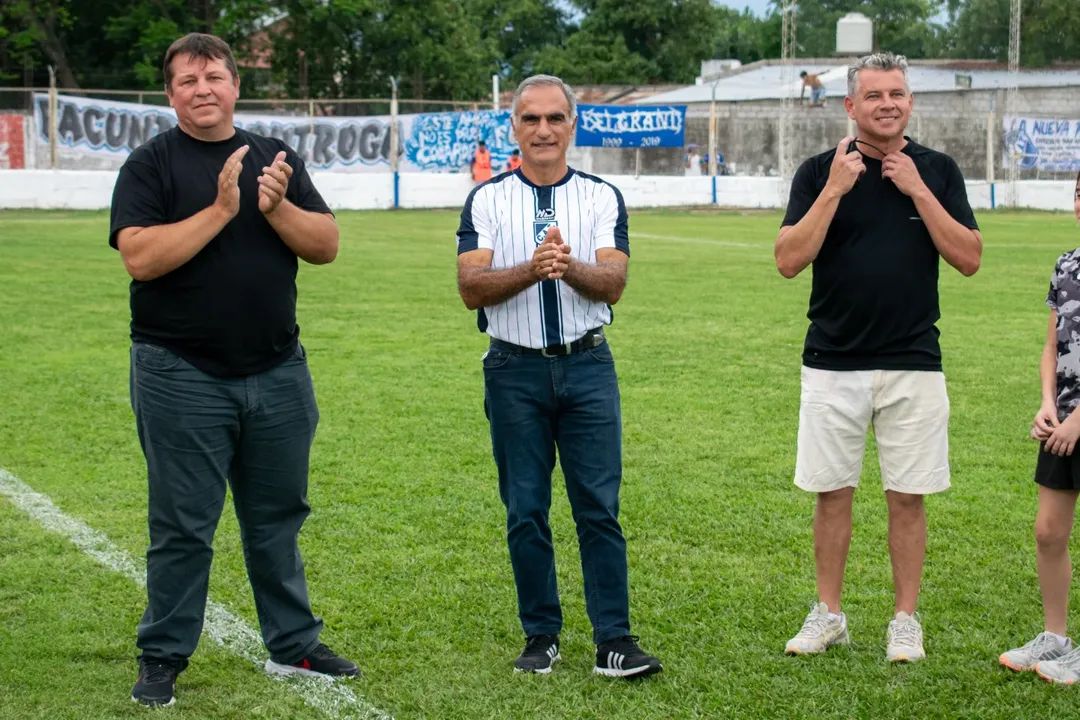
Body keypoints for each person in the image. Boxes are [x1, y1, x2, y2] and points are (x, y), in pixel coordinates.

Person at [109, 32, 357, 708]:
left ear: (235, 85)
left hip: (277, 370)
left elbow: (327, 245)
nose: (202, 89)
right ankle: (163, 654)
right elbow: (140, 257)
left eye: (213, 75)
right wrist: (222, 208)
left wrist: (275, 208)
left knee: (278, 516)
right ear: (170, 94)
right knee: (184, 525)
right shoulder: (150, 165)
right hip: (179, 371)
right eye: (187, 80)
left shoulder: (277, 158)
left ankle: (294, 643)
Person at [775, 52, 982, 663]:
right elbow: (788, 260)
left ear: (910, 101)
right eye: (873, 95)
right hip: (833, 359)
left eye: (897, 93)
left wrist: (917, 188)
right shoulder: (820, 170)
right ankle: (829, 613)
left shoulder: (938, 170)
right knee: (832, 491)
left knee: (907, 496)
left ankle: (904, 619)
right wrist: (836, 192)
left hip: (914, 360)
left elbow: (969, 257)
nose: (887, 104)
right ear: (850, 106)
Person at [455, 74, 662, 678]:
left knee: (598, 506)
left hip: (588, 365)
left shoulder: (600, 197)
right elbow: (471, 287)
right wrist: (532, 268)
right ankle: (540, 635)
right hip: (513, 369)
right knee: (525, 508)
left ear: (573, 125)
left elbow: (614, 281)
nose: (542, 129)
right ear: (513, 127)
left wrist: (564, 267)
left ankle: (614, 640)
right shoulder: (487, 200)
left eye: (554, 118)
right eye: (530, 119)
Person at [999, 172, 1080, 684]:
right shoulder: (1066, 265)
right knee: (1048, 532)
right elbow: (1051, 346)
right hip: (1064, 420)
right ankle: (1055, 638)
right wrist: (1048, 405)